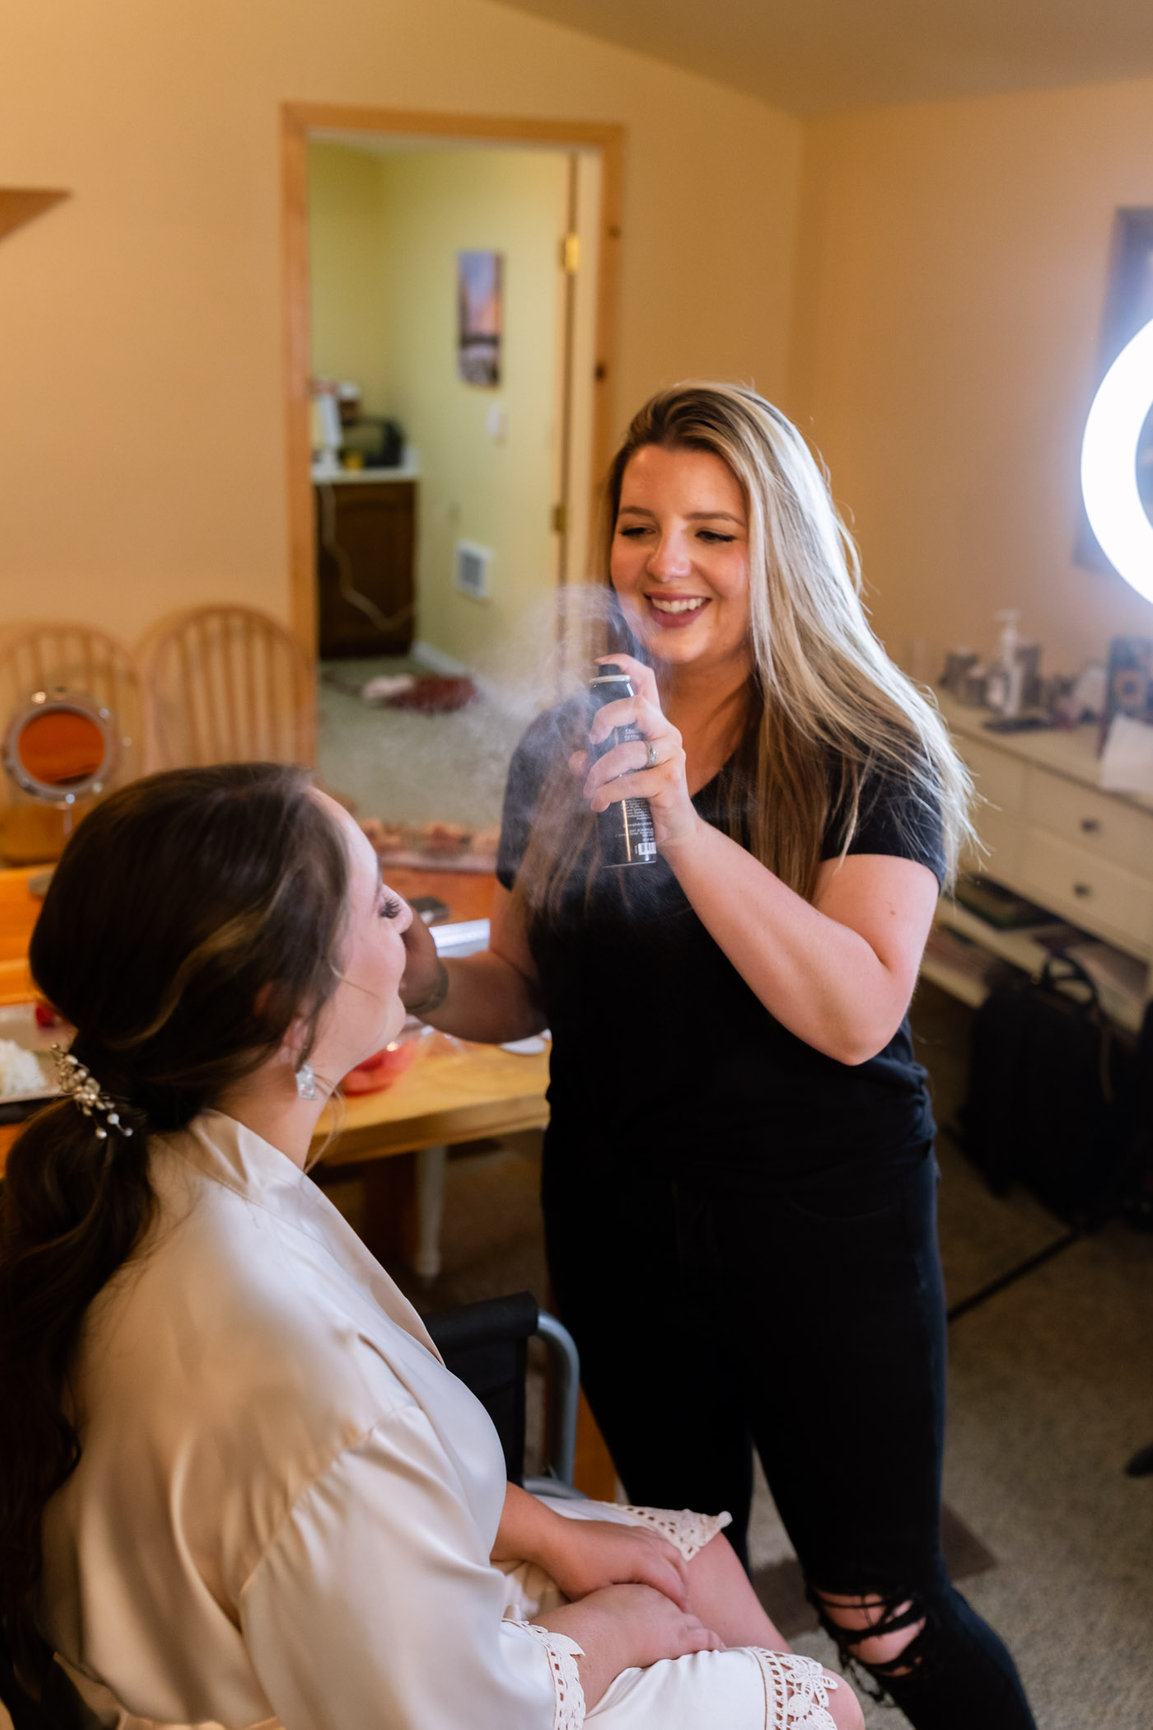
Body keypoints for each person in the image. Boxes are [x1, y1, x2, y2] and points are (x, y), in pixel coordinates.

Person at [398, 383, 1039, 1730]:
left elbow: (860, 1007)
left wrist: (682, 823)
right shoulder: (561, 742)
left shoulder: (867, 746)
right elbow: (523, 980)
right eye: (640, 525)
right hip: (621, 1211)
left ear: (780, 549)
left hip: (821, 1225)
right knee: (686, 1574)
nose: (665, 563)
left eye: (714, 530)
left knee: (885, 1611)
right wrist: (409, 974)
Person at [0, 763, 861, 1730]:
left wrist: (541, 1528)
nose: (406, 919)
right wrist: (613, 1633)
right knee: (820, 1702)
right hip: (340, 1694)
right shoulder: (302, 1372)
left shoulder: (139, 1166)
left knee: (695, 1557)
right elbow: (455, 1711)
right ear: (282, 1011)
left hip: (243, 1614)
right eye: (375, 905)